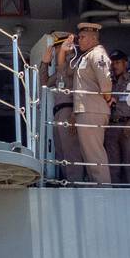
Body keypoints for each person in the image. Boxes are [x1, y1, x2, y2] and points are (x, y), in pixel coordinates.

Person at [70, 21, 114, 184]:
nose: (79, 40)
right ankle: (97, 187)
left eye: (82, 37)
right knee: (89, 154)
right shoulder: (87, 55)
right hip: (86, 111)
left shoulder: (97, 54)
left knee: (95, 154)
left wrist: (108, 99)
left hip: (92, 111)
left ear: (93, 38)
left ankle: (103, 191)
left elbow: (105, 82)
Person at [40, 30, 83, 181]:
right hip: (57, 112)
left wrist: (74, 115)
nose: (57, 50)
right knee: (61, 151)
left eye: (59, 47)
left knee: (71, 151)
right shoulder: (60, 69)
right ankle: (67, 181)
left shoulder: (73, 65)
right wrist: (45, 62)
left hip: (68, 109)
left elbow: (78, 90)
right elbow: (44, 82)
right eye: (56, 48)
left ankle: (75, 182)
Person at [105, 49, 130, 184]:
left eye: (118, 62)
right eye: (112, 63)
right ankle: (114, 193)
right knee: (112, 164)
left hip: (128, 126)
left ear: (125, 63)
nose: (114, 66)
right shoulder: (108, 82)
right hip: (110, 127)